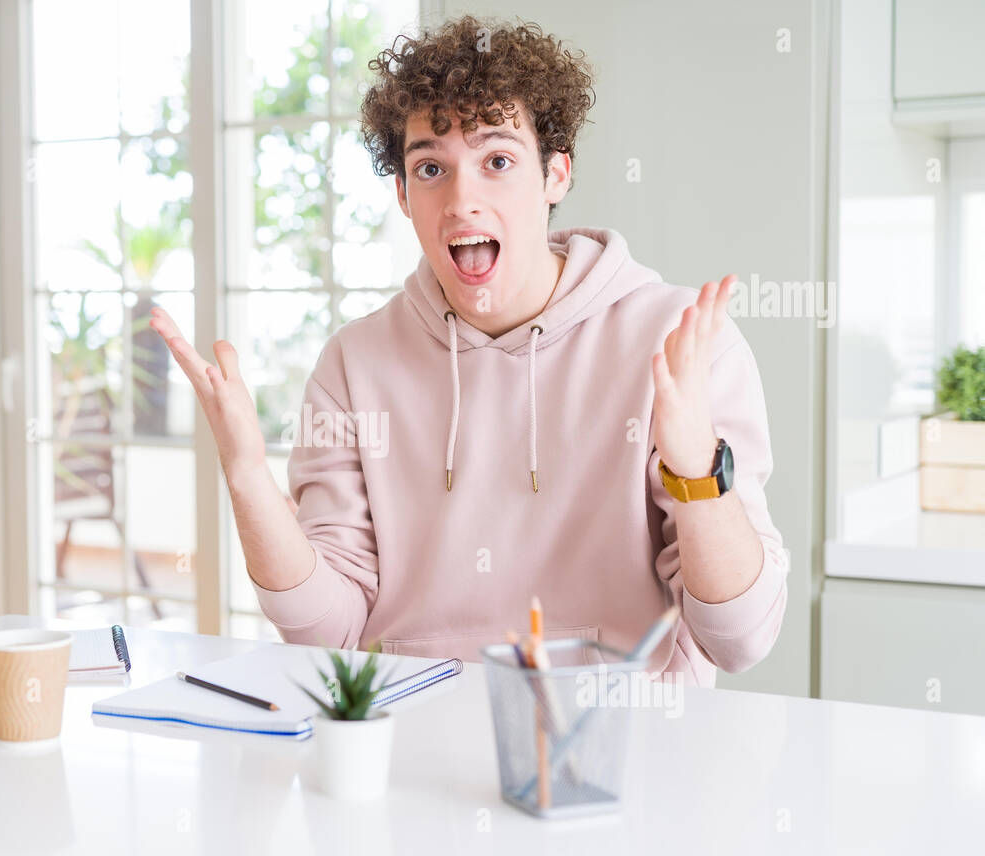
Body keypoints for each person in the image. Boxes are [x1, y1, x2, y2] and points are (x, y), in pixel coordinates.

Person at [150, 14, 787, 686]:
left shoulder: (678, 347)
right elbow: (325, 631)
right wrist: (249, 478)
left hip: (616, 752)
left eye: (498, 161)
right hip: (408, 738)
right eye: (431, 168)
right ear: (401, 194)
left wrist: (695, 470)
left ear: (556, 175)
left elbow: (740, 639)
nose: (462, 199)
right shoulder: (352, 366)